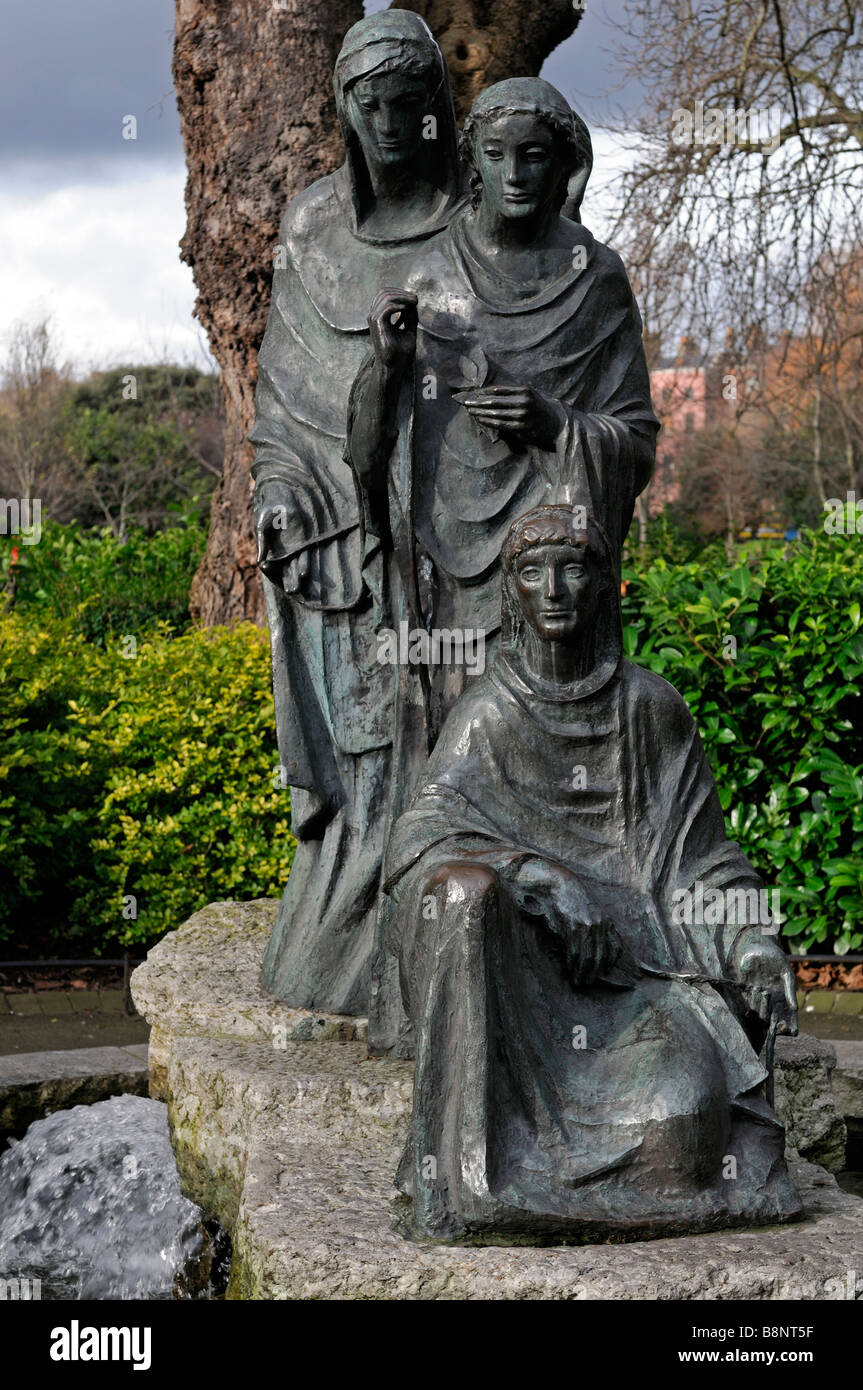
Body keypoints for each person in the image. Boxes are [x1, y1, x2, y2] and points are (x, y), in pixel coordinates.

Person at [385, 505, 800, 1240]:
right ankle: (475, 1182)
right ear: (509, 591)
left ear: (605, 585)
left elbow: (702, 862)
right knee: (462, 891)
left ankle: (569, 1193)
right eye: (531, 572)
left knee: (683, 1136)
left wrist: (750, 945)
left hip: (633, 985)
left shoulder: (650, 709)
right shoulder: (488, 717)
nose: (554, 589)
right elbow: (417, 840)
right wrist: (530, 874)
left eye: (574, 569)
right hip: (522, 993)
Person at [346, 78, 658, 1046]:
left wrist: (555, 423)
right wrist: (388, 367)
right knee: (449, 777)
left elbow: (635, 438)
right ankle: (442, 999)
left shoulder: (594, 280)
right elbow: (368, 447)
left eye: (536, 156)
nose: (517, 173)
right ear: (469, 160)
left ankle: (576, 987)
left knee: (558, 772)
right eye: (497, 154)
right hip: (445, 570)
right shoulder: (431, 273)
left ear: (564, 164)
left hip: (553, 562)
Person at [250, 11, 464, 1015]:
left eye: (405, 101)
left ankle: (456, 932)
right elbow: (281, 409)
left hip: (461, 547)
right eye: (366, 103)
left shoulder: (482, 223)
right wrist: (282, 495)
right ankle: (354, 915)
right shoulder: (309, 229)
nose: (386, 121)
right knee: (368, 753)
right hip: (343, 544)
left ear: (436, 108)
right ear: (341, 110)